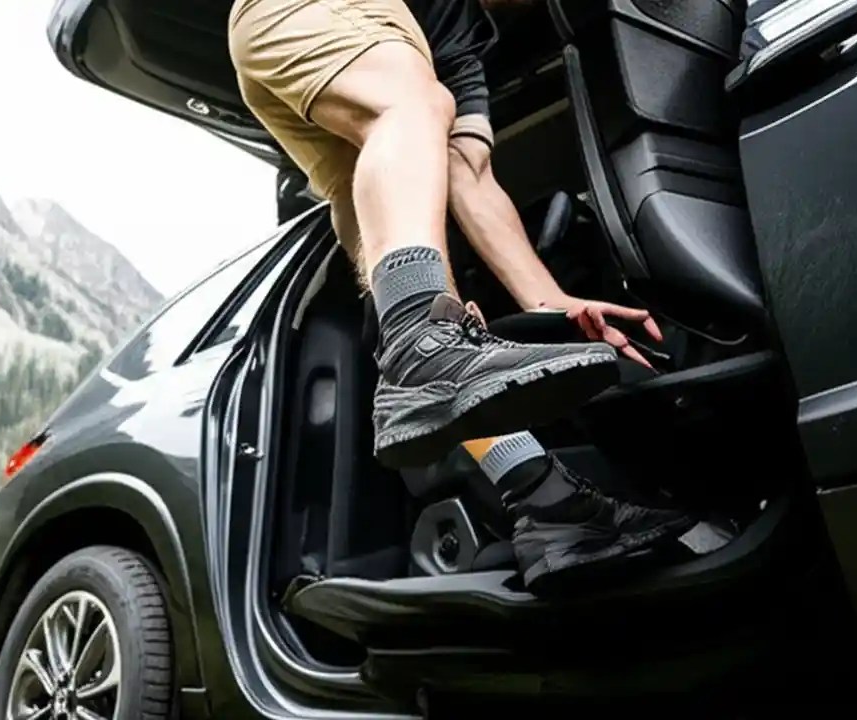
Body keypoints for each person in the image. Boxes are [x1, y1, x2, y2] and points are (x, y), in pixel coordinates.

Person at [228, 0, 694, 593]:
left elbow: (470, 175)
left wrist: (554, 304)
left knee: (421, 274)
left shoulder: (458, 41)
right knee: (416, 107)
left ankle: (550, 507)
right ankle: (418, 345)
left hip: (365, 59)